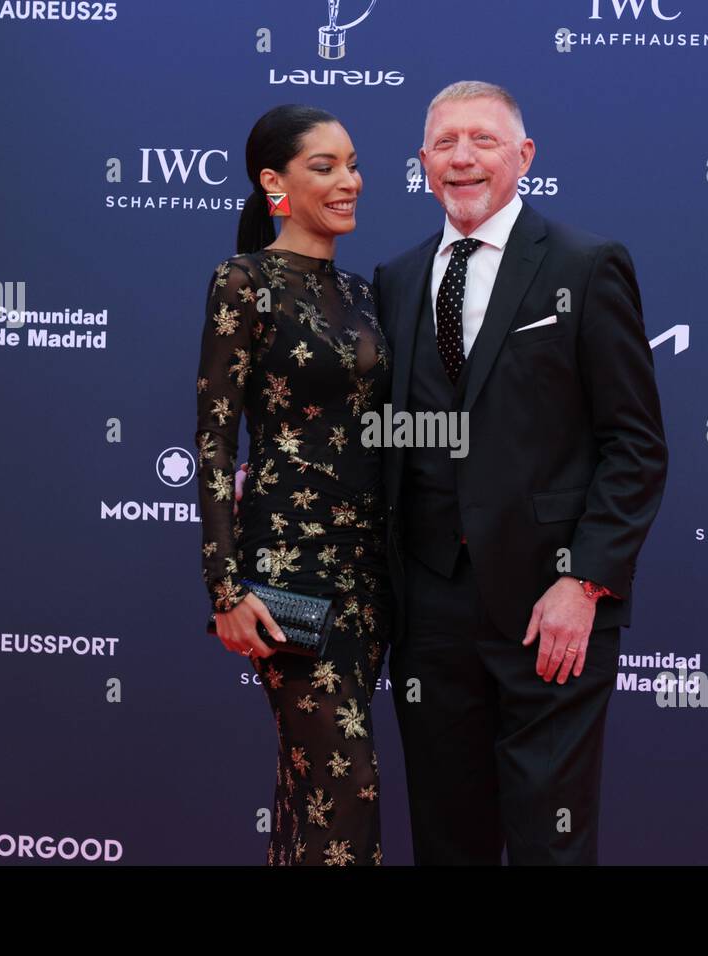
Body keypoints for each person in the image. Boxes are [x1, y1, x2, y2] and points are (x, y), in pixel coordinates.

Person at [371, 80, 668, 864]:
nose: (463, 158)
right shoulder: (396, 279)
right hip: (429, 615)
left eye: (484, 140)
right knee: (447, 842)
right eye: (445, 143)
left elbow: (635, 443)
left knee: (550, 844)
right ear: (423, 163)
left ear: (524, 156)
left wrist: (587, 582)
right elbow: (389, 432)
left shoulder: (585, 264)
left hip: (552, 607)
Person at [195, 104, 391, 866]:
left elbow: (391, 431)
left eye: (352, 163)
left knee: (309, 793)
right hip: (284, 573)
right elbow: (215, 439)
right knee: (347, 794)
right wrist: (224, 589)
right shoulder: (243, 282)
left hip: (370, 574)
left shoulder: (371, 295)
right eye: (326, 166)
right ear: (274, 183)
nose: (350, 180)